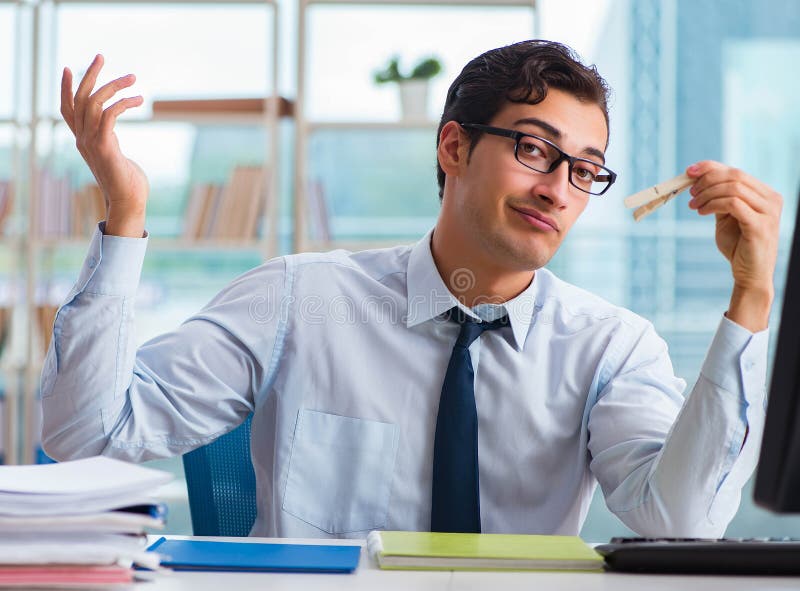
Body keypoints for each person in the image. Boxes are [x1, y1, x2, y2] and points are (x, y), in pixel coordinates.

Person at [42, 40, 781, 539]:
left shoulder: (612, 348)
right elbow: (86, 435)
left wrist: (749, 297)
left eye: (584, 169)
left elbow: (679, 519)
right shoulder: (300, 301)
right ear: (453, 145)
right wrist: (126, 215)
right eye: (533, 148)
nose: (558, 189)